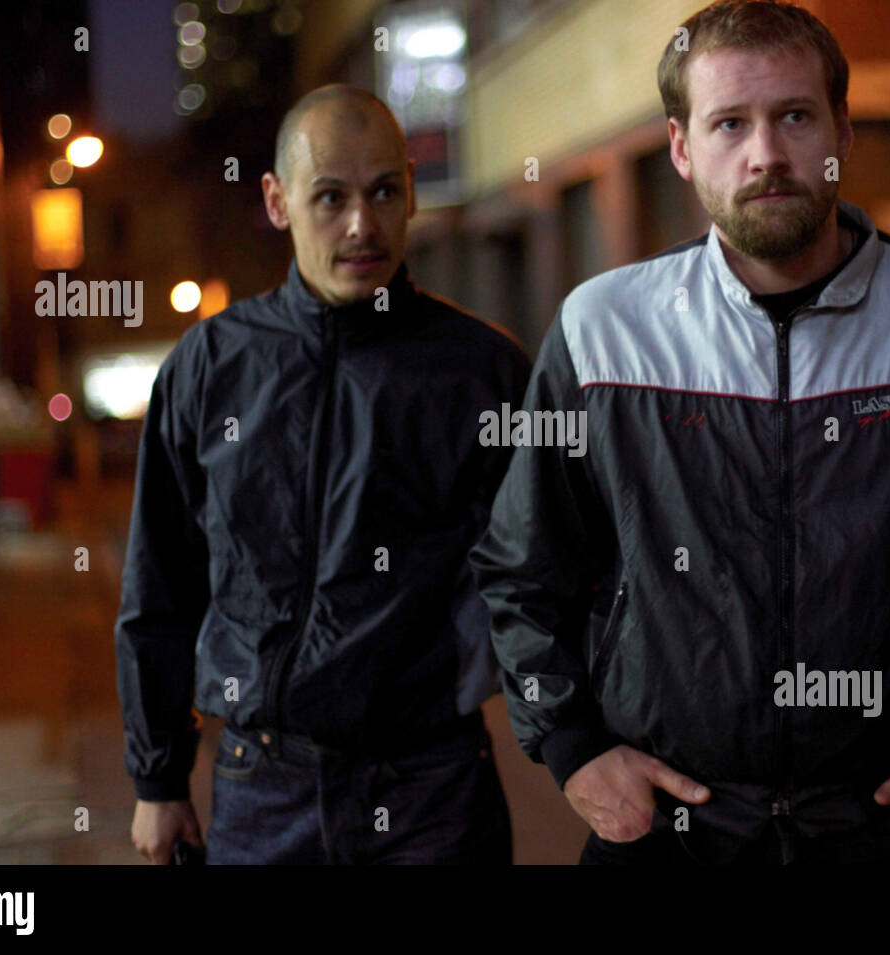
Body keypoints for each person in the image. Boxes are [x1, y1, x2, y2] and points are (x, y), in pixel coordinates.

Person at [469, 0, 890, 865]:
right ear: (681, 146)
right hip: (672, 833)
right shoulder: (603, 329)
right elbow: (524, 568)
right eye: (729, 123)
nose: (766, 154)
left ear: (842, 129)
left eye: (794, 116)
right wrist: (572, 746)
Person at [116, 84, 529, 864]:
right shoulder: (210, 368)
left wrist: (584, 746)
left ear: (411, 189)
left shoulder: (483, 372)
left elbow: (557, 578)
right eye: (330, 197)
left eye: (383, 192)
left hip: (431, 790)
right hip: (263, 784)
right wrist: (158, 778)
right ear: (277, 201)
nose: (361, 226)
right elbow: (160, 587)